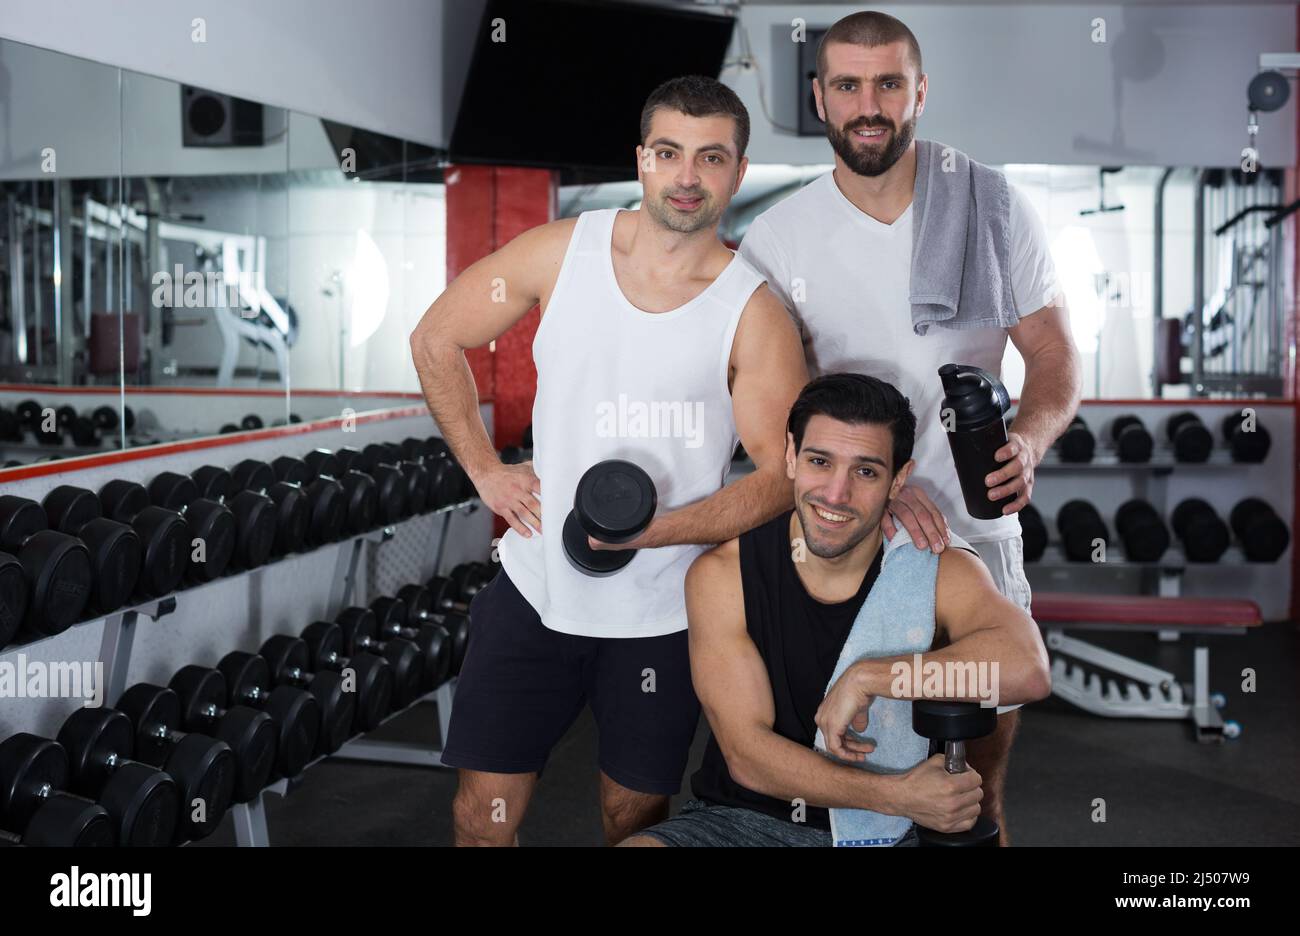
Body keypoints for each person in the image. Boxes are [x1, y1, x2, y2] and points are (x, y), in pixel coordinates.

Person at [408, 76, 808, 845]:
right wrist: (485, 470)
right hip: (534, 591)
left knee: (634, 822)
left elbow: (780, 475)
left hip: (662, 613)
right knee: (481, 818)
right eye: (669, 153)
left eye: (711, 157)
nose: (687, 177)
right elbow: (436, 337)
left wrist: (660, 533)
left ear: (738, 171)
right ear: (642, 159)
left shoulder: (751, 312)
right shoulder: (564, 251)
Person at [737, 10, 1081, 843]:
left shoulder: (993, 206)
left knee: (974, 803)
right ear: (819, 98)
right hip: (850, 540)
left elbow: (1054, 356)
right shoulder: (777, 238)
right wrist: (871, 497)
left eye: (888, 83)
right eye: (848, 85)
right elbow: (764, 419)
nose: (869, 104)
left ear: (919, 91)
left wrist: (1027, 440)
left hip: (973, 534)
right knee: (853, 785)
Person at [621, 374, 1051, 847]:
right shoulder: (723, 576)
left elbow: (1027, 668)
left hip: (895, 836)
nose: (835, 494)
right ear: (790, 456)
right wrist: (898, 796)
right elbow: (749, 756)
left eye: (865, 471)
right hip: (743, 822)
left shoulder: (934, 566)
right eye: (819, 462)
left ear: (898, 480)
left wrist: (871, 677)